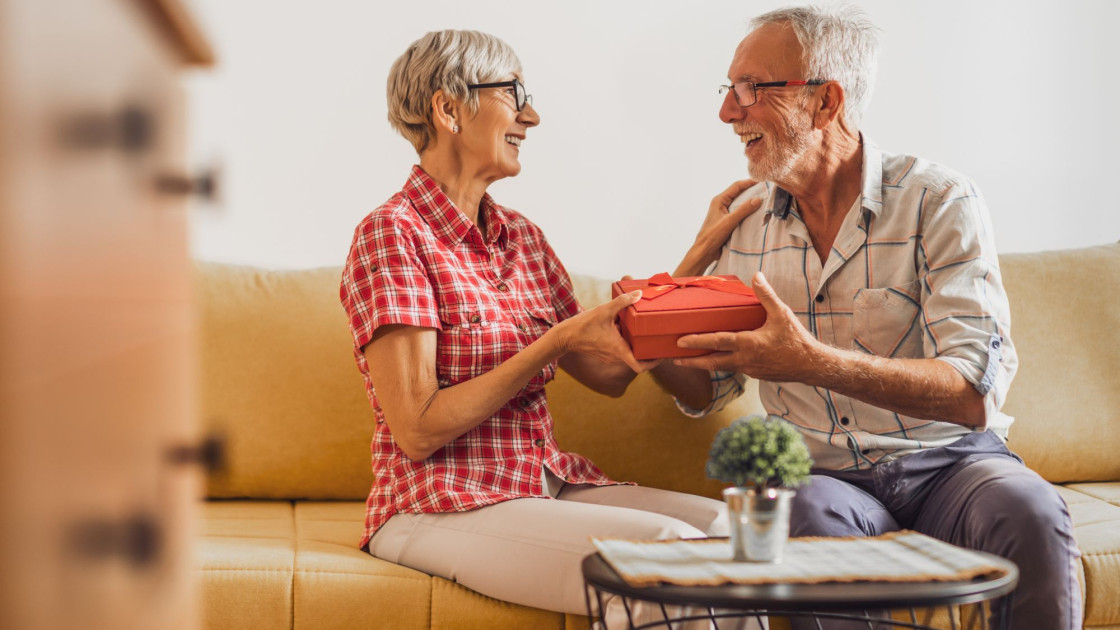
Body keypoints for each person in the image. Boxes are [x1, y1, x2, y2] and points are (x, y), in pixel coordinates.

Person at [650, 6, 1082, 630]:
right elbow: (710, 388)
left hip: (951, 461)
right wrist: (653, 344)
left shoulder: (939, 200)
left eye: (752, 89)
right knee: (799, 517)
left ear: (826, 102)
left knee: (1031, 511)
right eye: (728, 89)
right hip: (821, 477)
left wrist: (808, 362)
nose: (728, 111)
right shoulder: (740, 219)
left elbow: (972, 393)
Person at [338, 30, 745, 626]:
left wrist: (699, 254)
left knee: (735, 534)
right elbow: (418, 430)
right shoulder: (393, 235)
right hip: (435, 504)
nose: (531, 115)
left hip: (541, 483)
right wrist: (552, 341)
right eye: (514, 93)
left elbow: (608, 372)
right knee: (667, 555)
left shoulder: (522, 239)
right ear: (448, 108)